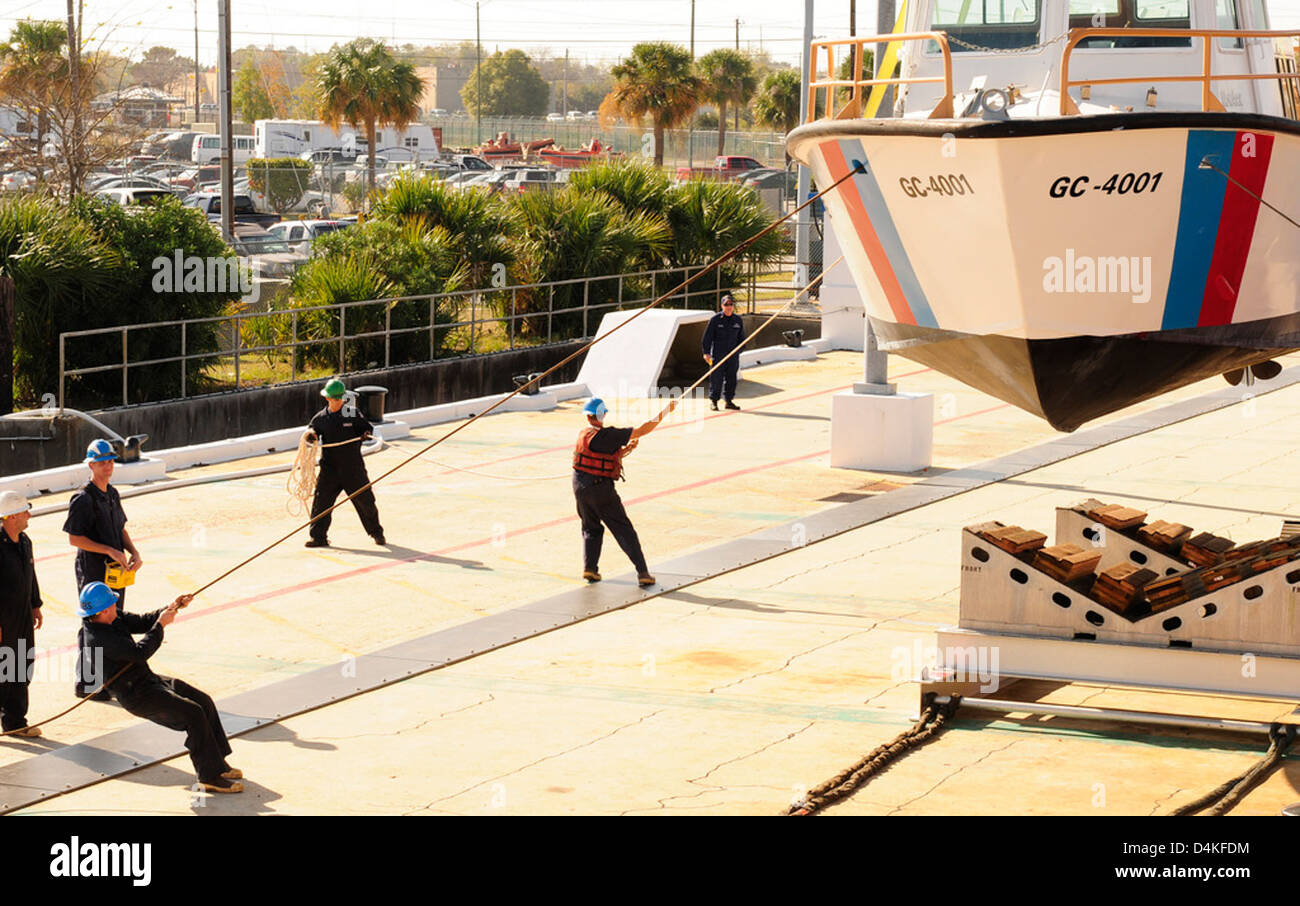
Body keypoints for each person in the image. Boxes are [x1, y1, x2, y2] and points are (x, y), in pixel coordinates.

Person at [78, 582, 243, 793]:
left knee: (203, 701)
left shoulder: (111, 617)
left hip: (146, 679)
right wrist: (161, 626)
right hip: (137, 695)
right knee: (193, 714)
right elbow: (139, 653)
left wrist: (172, 607)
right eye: (112, 604)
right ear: (102, 610)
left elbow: (143, 621)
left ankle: (217, 763)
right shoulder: (98, 638)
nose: (115, 607)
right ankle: (209, 776)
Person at [64, 438, 141, 698]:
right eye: (102, 462)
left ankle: (110, 677)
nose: (108, 466)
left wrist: (133, 551)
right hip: (93, 570)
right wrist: (109, 550)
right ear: (91, 465)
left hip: (114, 569)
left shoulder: (112, 494)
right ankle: (86, 681)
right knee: (94, 623)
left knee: (113, 620)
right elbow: (75, 538)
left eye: (110, 461)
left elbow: (120, 527)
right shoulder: (83, 499)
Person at [572, 396, 675, 587]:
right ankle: (643, 572)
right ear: (602, 415)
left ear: (587, 417)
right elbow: (643, 429)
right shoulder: (609, 435)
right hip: (601, 488)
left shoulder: (583, 435)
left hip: (580, 488)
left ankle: (590, 568)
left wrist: (626, 450)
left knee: (590, 528)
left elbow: (600, 457)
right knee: (623, 529)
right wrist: (665, 412)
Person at [305, 378, 385, 548]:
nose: (339, 401)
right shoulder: (321, 418)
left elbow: (367, 428)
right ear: (328, 399)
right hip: (330, 469)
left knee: (366, 501)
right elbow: (311, 432)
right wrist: (310, 436)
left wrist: (365, 433)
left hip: (353, 468)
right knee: (321, 503)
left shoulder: (352, 413)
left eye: (341, 398)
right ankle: (318, 537)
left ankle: (376, 532)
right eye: (335, 398)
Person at [0, 491, 43, 737]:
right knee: (5, 669)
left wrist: (35, 605)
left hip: (23, 616)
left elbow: (31, 575)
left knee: (23, 665)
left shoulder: (25, 541)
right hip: (3, 620)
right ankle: (11, 721)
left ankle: (13, 719)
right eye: (25, 510)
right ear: (12, 516)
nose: (28, 514)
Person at [701, 293, 746, 411]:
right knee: (716, 378)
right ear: (722, 306)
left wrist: (738, 351)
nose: (729, 307)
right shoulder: (715, 320)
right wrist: (706, 353)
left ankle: (729, 400)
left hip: (732, 356)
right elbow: (707, 338)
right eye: (726, 305)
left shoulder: (738, 320)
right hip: (718, 355)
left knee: (731, 378)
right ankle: (714, 401)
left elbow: (742, 340)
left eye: (731, 304)